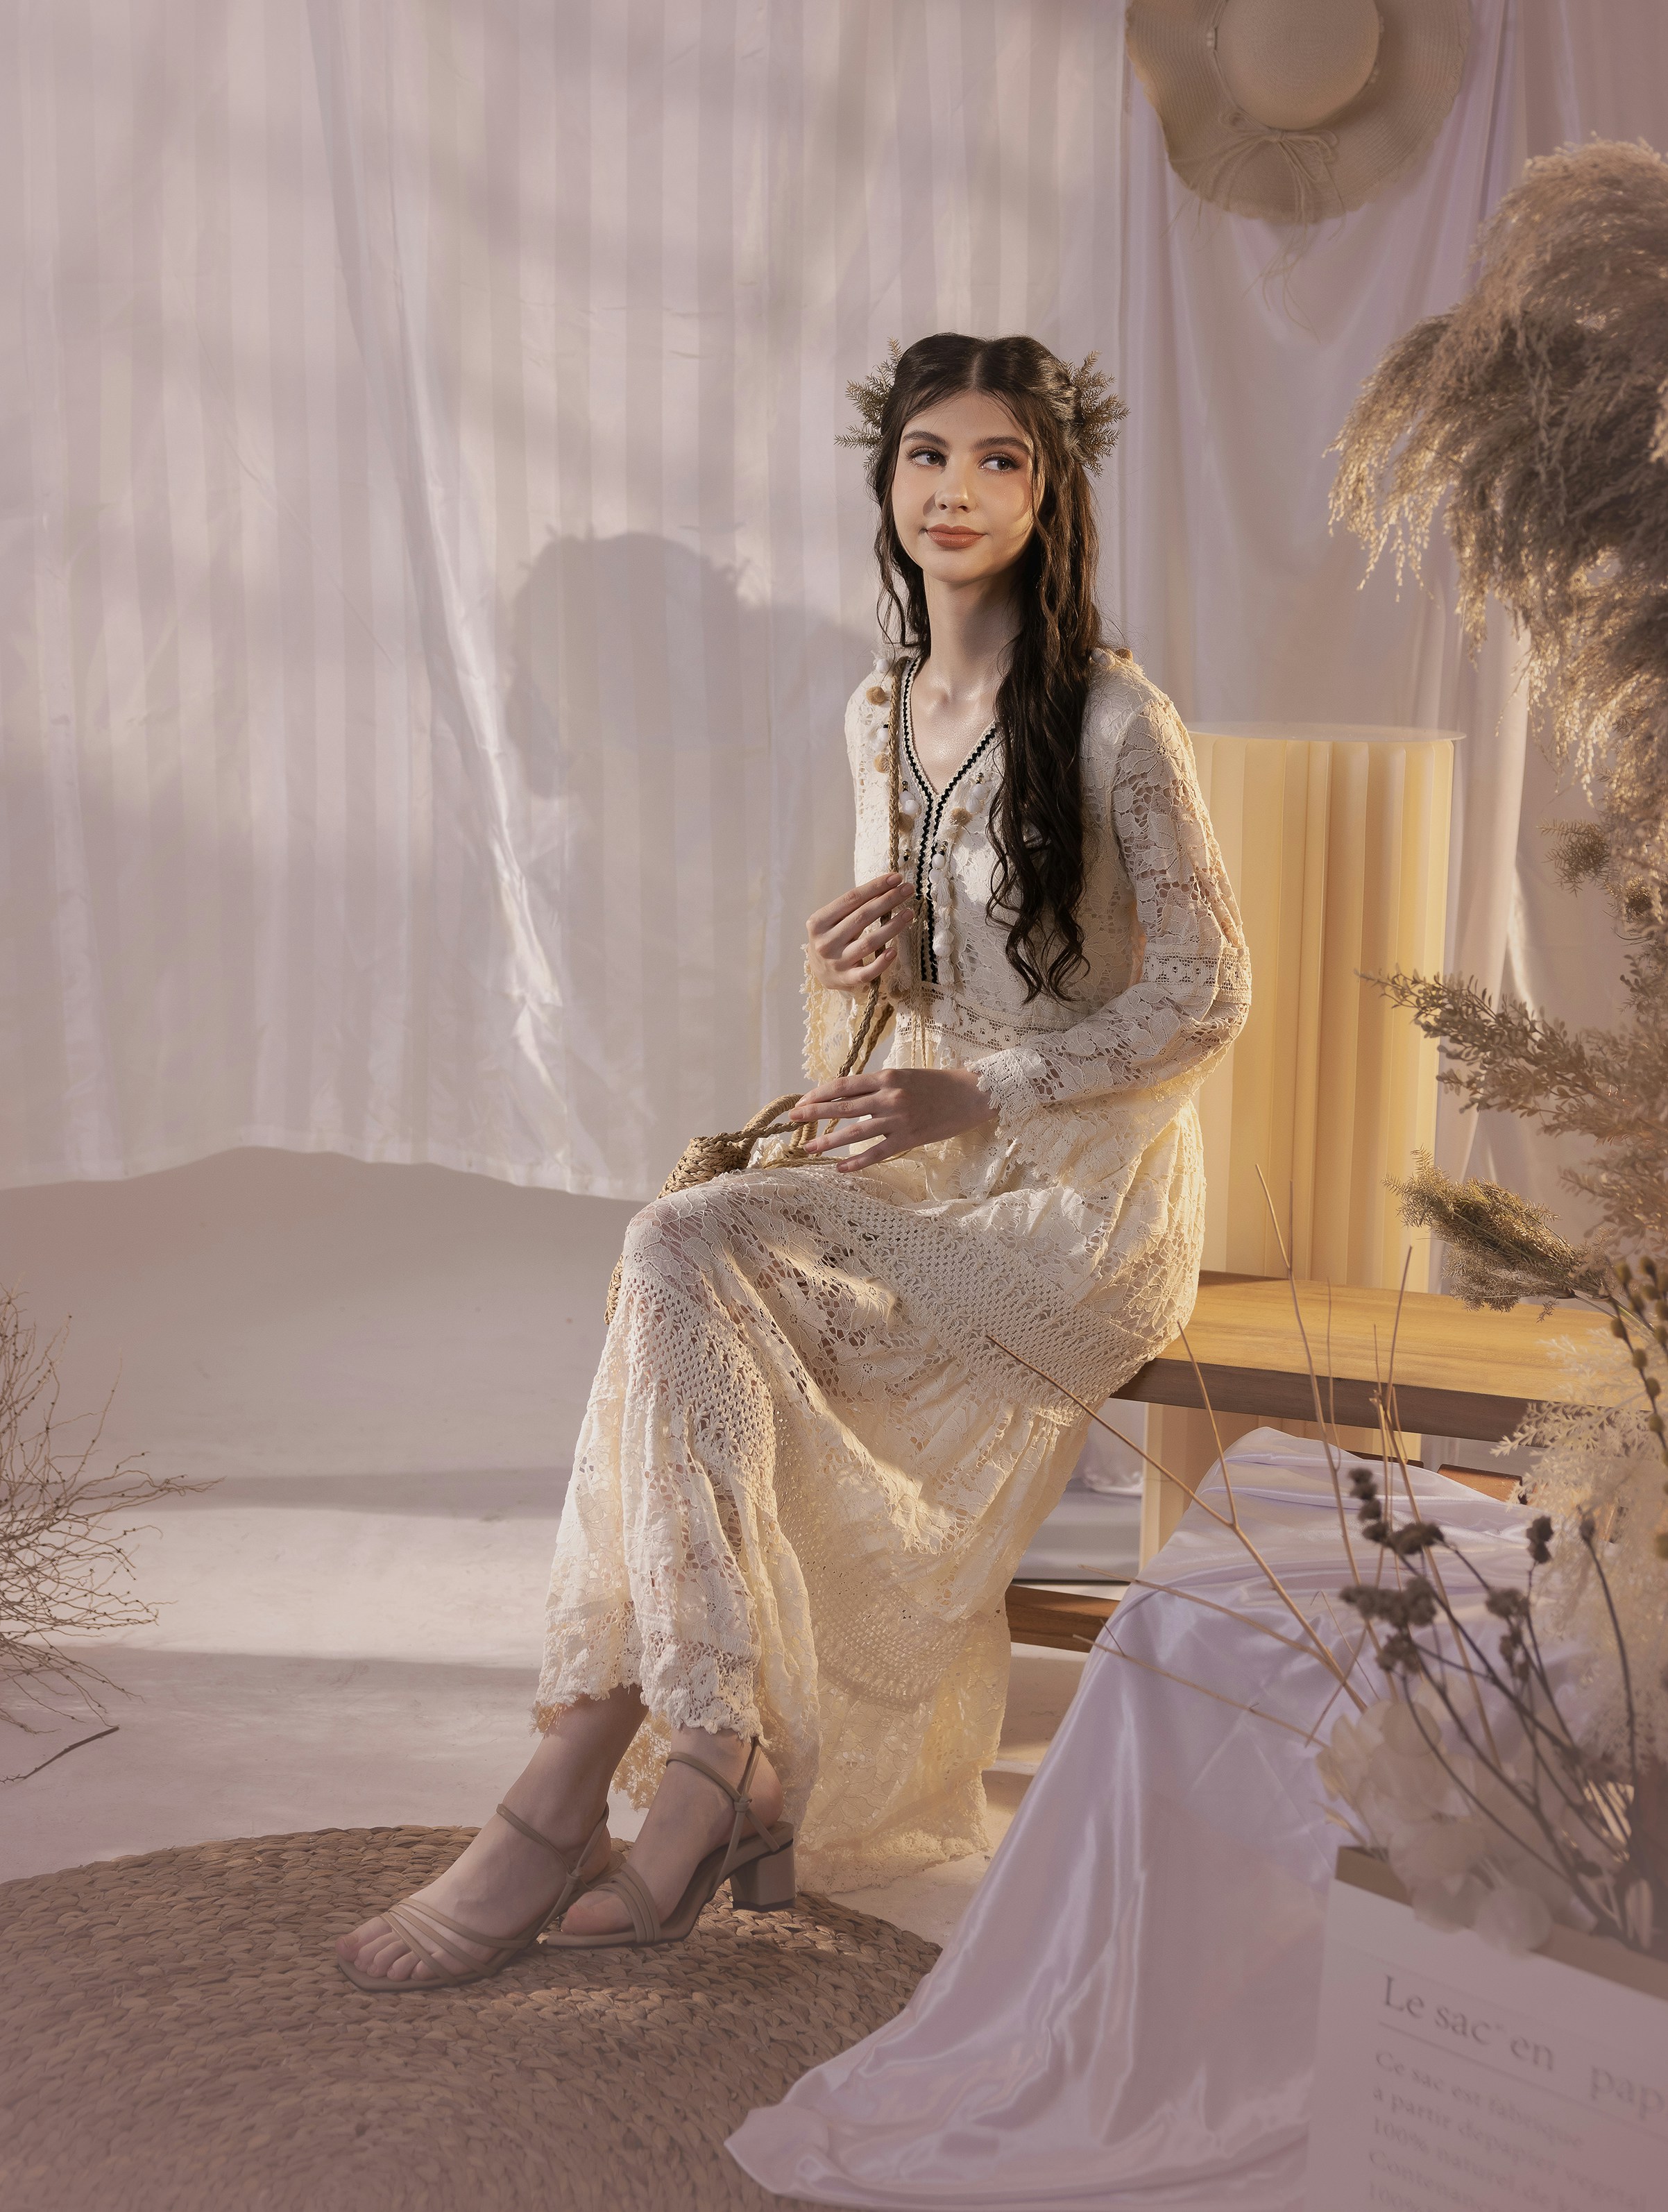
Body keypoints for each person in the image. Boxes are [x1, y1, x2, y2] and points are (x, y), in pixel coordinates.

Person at [336, 332, 1250, 1988]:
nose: (953, 491)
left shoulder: (1119, 720)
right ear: (882, 483)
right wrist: (861, 966)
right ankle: (696, 1757)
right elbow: (882, 1033)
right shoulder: (877, 707)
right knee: (680, 1253)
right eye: (923, 456)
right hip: (924, 1166)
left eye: (996, 460)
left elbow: (1206, 995)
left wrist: (977, 1090)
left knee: (680, 1254)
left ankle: (598, 1783)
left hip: (1080, 1199)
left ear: (1048, 497)